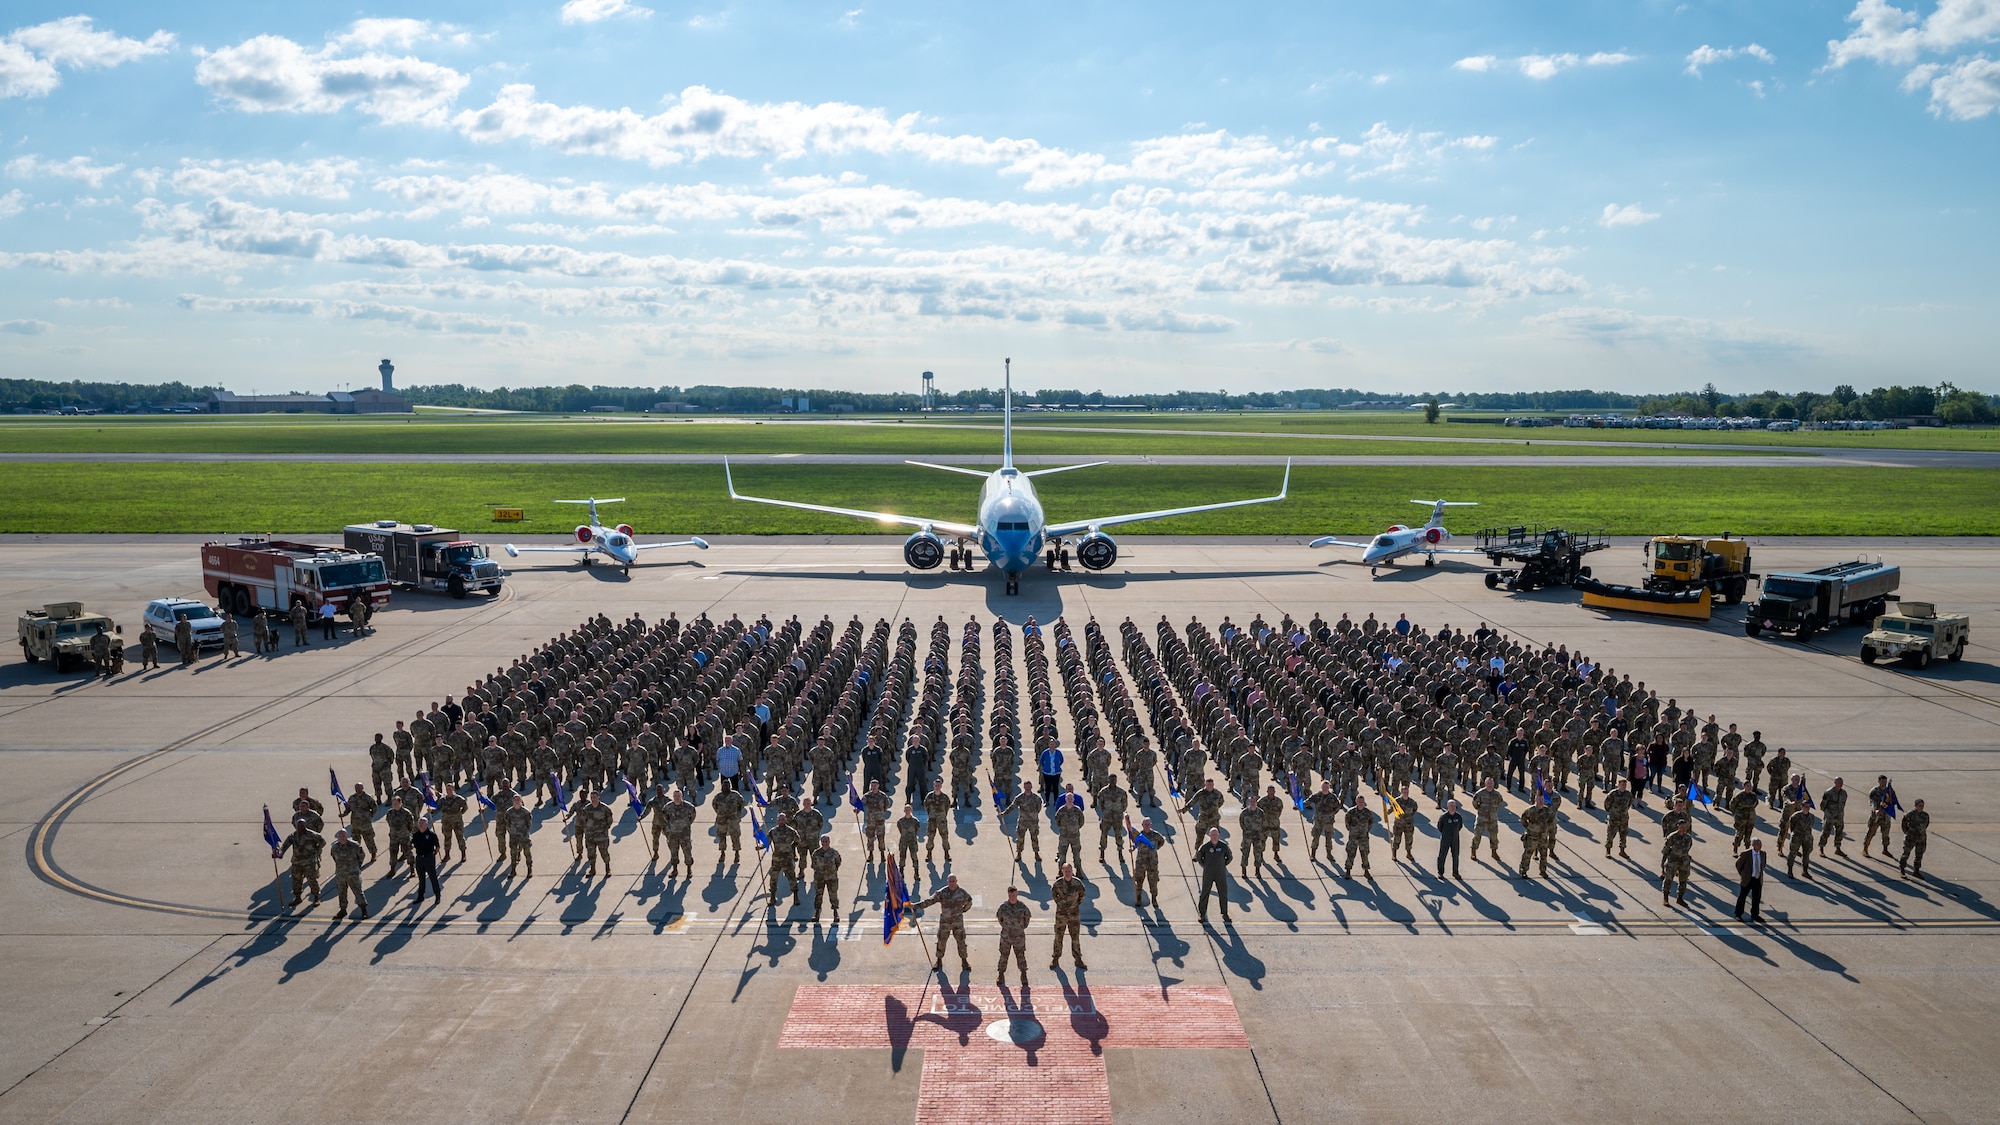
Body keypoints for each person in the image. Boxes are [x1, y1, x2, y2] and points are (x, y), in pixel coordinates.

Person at [913, 873, 973, 972]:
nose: (952, 883)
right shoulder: (942, 893)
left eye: (953, 881)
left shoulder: (962, 893)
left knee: (961, 941)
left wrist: (962, 911)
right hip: (945, 922)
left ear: (956, 881)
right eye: (950, 881)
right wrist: (915, 906)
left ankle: (964, 960)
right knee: (941, 941)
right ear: (947, 882)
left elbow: (969, 902)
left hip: (957, 922)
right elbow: (929, 901)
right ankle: (939, 960)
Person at [1049, 863, 1087, 970]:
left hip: (1074, 915)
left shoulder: (1077, 883)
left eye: (1069, 871)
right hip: (1061, 915)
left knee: (1075, 937)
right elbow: (1054, 895)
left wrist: (1074, 905)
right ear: (1062, 871)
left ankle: (1078, 959)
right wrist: (1061, 905)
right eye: (1065, 871)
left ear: (1072, 871)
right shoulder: (1057, 884)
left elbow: (1082, 895)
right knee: (1058, 937)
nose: (1067, 873)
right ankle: (1055, 958)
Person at [1195, 827, 1233, 924]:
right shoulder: (1205, 847)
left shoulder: (1223, 846)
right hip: (1208, 873)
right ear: (1210, 836)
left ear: (1219, 835)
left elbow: (1229, 857)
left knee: (1223, 893)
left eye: (1216, 834)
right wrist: (1205, 865)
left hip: (1220, 872)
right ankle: (1202, 914)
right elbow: (1199, 857)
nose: (1214, 836)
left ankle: (1225, 913)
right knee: (1205, 893)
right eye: (1212, 835)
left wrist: (1222, 864)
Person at [996, 886, 1031, 987]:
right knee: (1003, 956)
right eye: (1010, 895)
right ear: (1008, 894)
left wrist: (1019, 928)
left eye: (1014, 894)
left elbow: (1027, 920)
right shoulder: (1003, 907)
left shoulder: (1023, 907)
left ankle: (1023, 974)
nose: (1012, 897)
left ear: (1017, 894)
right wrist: (1007, 929)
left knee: (1021, 956)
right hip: (1006, 937)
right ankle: (1001, 974)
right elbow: (1000, 919)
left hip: (1019, 937)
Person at [329, 828, 368, 920]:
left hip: (353, 873)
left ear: (347, 836)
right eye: (340, 836)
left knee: (358, 892)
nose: (342, 837)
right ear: (337, 837)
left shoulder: (354, 845)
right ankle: (343, 910)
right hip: (340, 874)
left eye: (343, 835)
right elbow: (333, 856)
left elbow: (361, 856)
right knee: (341, 892)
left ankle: (364, 911)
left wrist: (357, 866)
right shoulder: (334, 847)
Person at [809, 834, 843, 924]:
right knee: (818, 895)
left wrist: (832, 871)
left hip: (831, 877)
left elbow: (838, 862)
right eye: (823, 842)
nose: (825, 843)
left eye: (826, 841)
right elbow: (814, 865)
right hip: (819, 878)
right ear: (821, 842)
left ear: (829, 842)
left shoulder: (834, 853)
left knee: (833, 895)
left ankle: (835, 913)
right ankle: (817, 912)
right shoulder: (816, 853)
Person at [1734, 838, 1766, 924]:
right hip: (1748, 879)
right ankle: (1738, 914)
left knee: (1756, 898)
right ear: (1753, 845)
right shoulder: (1746, 854)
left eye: (1760, 844)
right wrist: (1743, 874)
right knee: (1742, 897)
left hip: (1757, 879)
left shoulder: (1763, 854)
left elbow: (1763, 865)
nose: (1760, 846)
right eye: (1758, 844)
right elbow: (1738, 864)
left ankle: (1755, 914)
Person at [410, 816, 442, 903]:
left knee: (433, 877)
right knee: (421, 879)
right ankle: (420, 896)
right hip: (419, 858)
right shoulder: (416, 835)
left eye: (423, 823)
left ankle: (437, 895)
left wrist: (433, 854)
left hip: (429, 858)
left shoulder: (432, 835)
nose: (421, 824)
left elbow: (437, 846)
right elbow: (411, 844)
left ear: (426, 824)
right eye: (419, 823)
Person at [1899, 799, 1930, 879]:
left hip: (1921, 838)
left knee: (1919, 855)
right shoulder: (1910, 814)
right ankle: (1902, 869)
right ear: (1915, 806)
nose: (1921, 807)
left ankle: (1916, 871)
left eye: (1922, 806)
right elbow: (1904, 824)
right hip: (1911, 837)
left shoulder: (1925, 815)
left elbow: (1926, 824)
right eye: (1920, 805)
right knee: (1906, 853)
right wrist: (1907, 832)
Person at [504, 795, 534, 878]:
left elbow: (529, 824)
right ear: (512, 801)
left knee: (527, 853)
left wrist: (524, 832)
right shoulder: (509, 812)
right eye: (515, 800)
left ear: (521, 801)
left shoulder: (526, 812)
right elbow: (507, 823)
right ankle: (513, 870)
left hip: (524, 836)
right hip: (513, 836)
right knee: (513, 853)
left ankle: (529, 870)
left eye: (518, 800)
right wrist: (511, 831)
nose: (516, 801)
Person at [1437, 798, 1464, 879]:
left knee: (1455, 856)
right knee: (1442, 855)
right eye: (1451, 806)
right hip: (1445, 838)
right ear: (1447, 807)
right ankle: (1440, 872)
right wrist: (1445, 833)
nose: (1453, 807)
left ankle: (1455, 872)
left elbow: (1460, 826)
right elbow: (1439, 827)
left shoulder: (1458, 817)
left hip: (1455, 839)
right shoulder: (1443, 817)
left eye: (1454, 806)